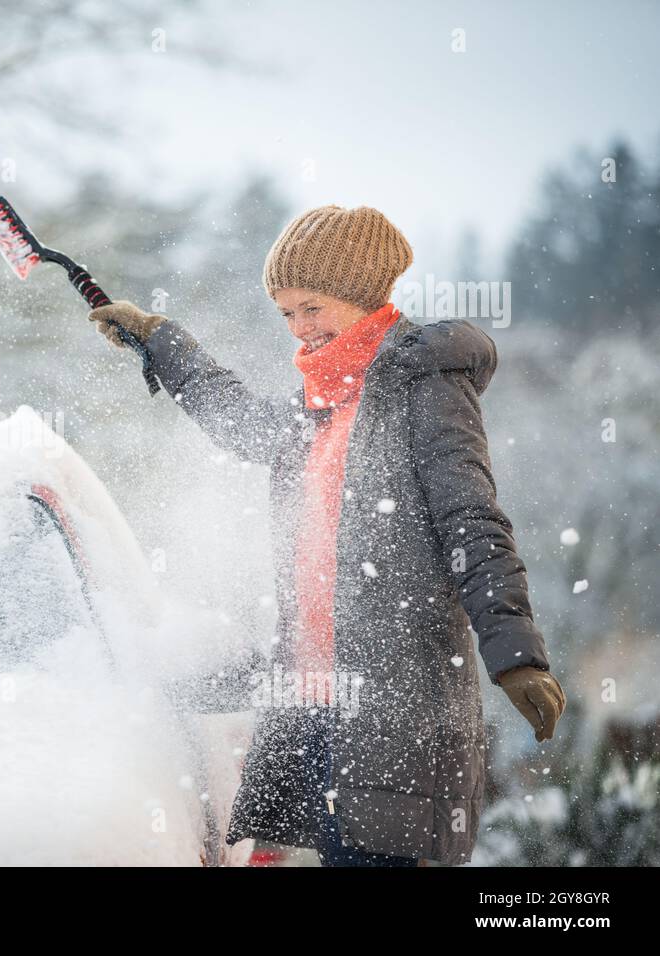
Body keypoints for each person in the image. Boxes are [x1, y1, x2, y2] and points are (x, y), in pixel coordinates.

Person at [90, 204, 567, 867]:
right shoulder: (321, 401)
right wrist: (160, 341)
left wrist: (517, 655)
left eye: (312, 307)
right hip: (313, 703)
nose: (301, 329)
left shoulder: (422, 387)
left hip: (392, 706)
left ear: (363, 294)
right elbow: (239, 421)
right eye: (286, 313)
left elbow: (472, 521)